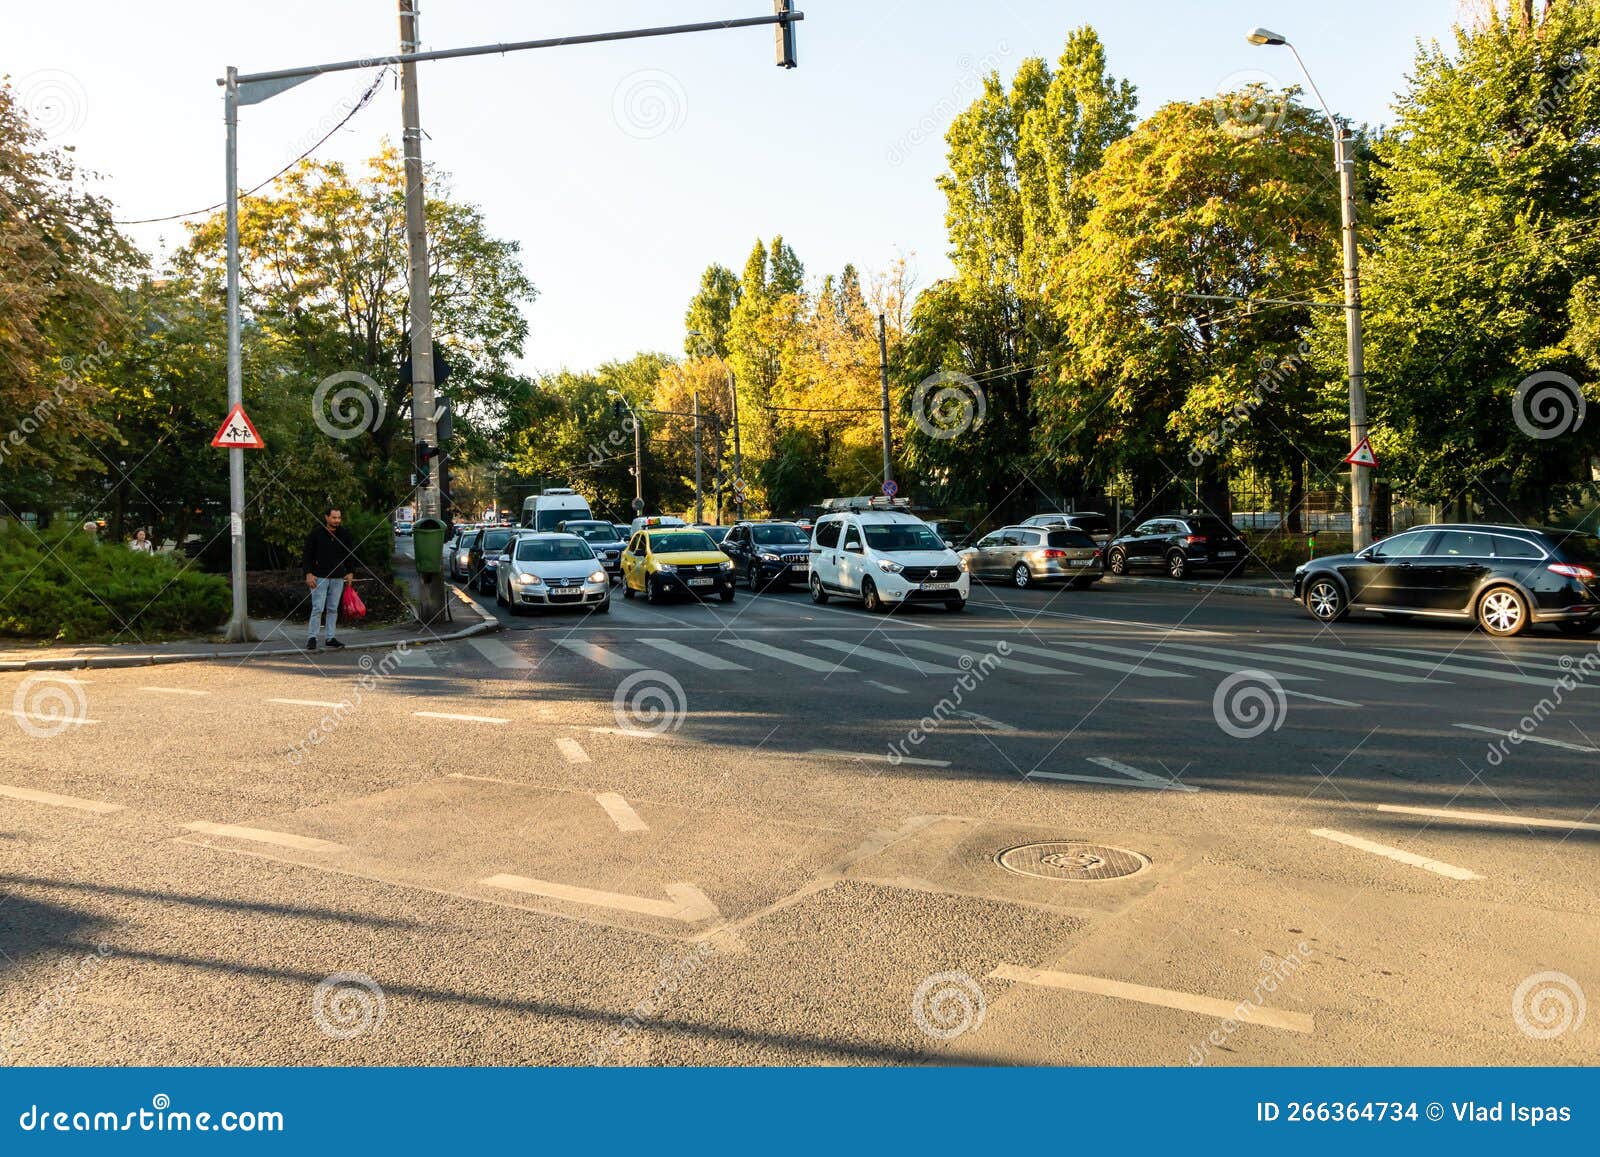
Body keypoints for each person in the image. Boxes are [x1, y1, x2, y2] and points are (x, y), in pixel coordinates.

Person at [301, 507, 356, 652]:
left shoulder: (345, 534)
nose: (337, 520)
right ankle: (312, 637)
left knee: (333, 609)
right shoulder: (316, 534)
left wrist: (350, 571)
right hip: (319, 577)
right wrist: (308, 573)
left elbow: (349, 554)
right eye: (334, 517)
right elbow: (307, 555)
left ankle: (330, 638)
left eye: (339, 517)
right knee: (317, 608)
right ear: (326, 518)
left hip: (338, 577)